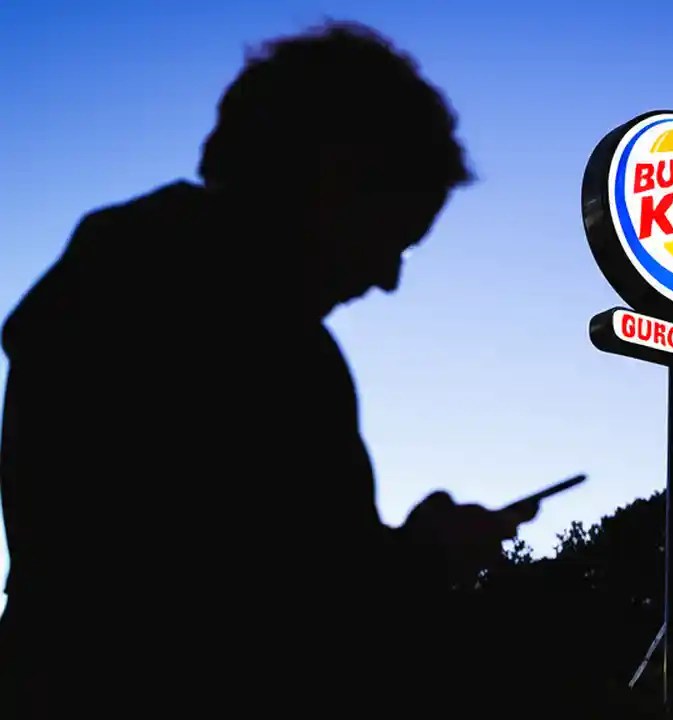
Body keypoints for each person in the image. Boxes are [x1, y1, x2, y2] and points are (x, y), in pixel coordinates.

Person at [0, 20, 540, 716]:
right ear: (335, 176)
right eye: (394, 236)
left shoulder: (93, 296)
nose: (387, 278)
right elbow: (297, 617)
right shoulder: (268, 345)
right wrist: (428, 557)